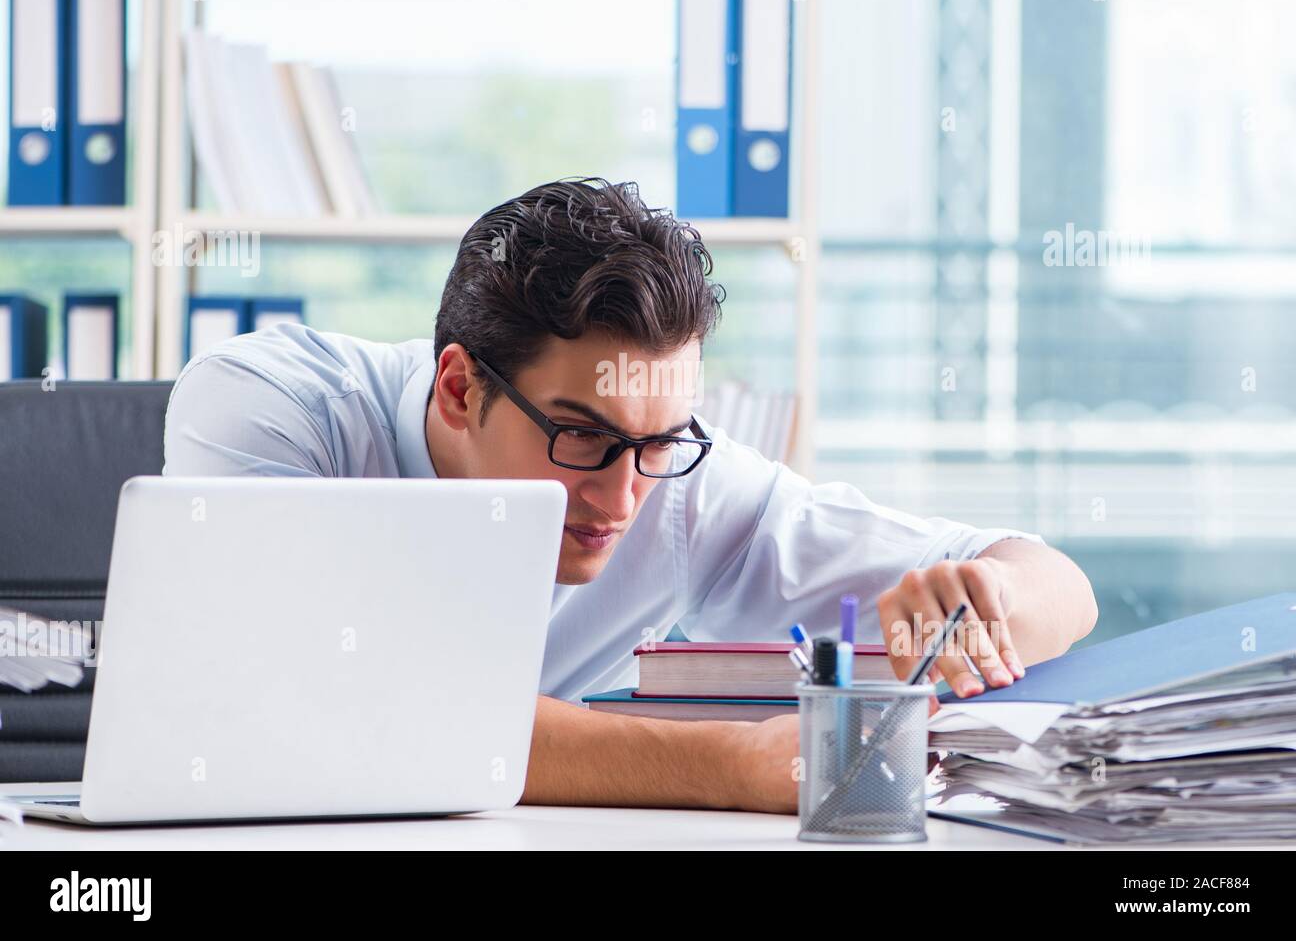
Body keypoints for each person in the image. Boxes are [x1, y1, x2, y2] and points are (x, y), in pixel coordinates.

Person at [163, 177, 1097, 813]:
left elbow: (1063, 586)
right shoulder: (273, 404)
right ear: (458, 386)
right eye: (581, 435)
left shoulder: (674, 480)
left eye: (657, 443)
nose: (621, 496)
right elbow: (317, 698)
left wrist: (988, 598)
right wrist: (729, 767)